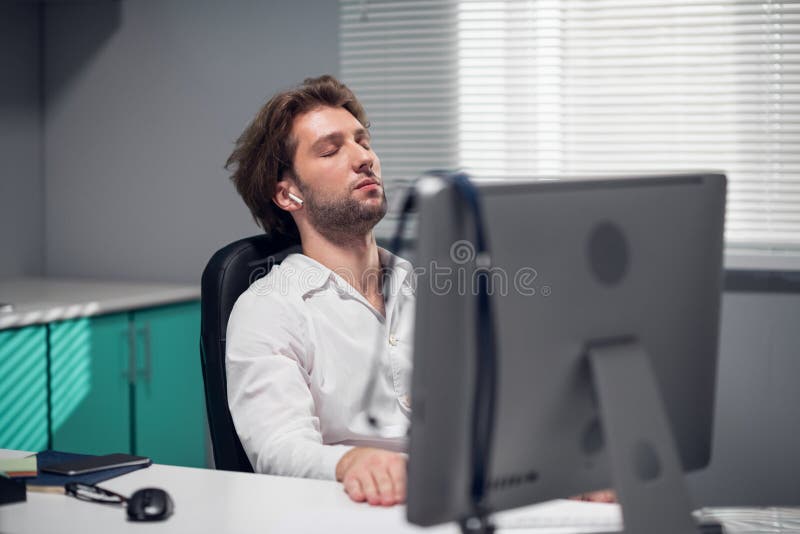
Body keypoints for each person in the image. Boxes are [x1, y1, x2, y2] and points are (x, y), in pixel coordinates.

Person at [224, 75, 412, 507]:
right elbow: (278, 447)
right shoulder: (268, 309)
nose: (363, 158)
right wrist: (349, 463)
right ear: (288, 194)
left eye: (362, 142)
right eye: (331, 149)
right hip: (355, 511)